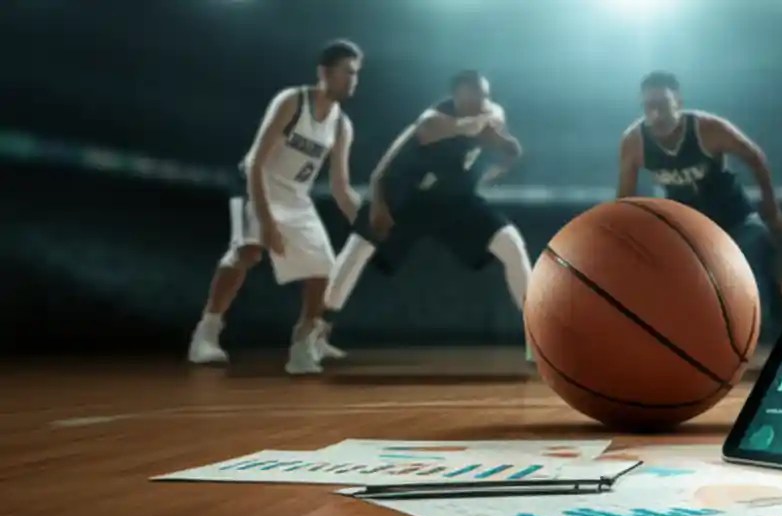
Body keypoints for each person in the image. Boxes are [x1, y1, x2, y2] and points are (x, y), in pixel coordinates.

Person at [320, 70, 533, 358]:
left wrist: (502, 160)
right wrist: (379, 206)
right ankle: (317, 333)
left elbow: (504, 147)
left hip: (455, 202)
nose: (481, 101)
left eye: (484, 95)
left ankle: (537, 337)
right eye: (474, 95)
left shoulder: (492, 113)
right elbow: (383, 170)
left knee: (511, 244)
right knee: (356, 251)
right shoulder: (431, 121)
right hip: (405, 199)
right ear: (456, 96)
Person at [187, 39, 363, 374]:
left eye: (356, 74)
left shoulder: (342, 125)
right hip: (255, 184)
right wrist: (266, 221)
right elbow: (255, 163)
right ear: (324, 72)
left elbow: (341, 187)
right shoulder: (292, 101)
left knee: (324, 271)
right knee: (249, 251)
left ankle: (303, 344)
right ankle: (206, 333)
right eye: (348, 72)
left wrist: (365, 225)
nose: (353, 80)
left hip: (295, 196)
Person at [617, 71, 782, 342]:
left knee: (756, 262)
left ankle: (773, 341)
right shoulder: (634, 141)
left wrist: (772, 208)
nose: (655, 114)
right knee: (674, 283)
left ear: (678, 101)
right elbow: (624, 198)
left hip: (735, 218)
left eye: (662, 104)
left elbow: (754, 157)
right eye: (648, 106)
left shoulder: (708, 128)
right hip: (689, 228)